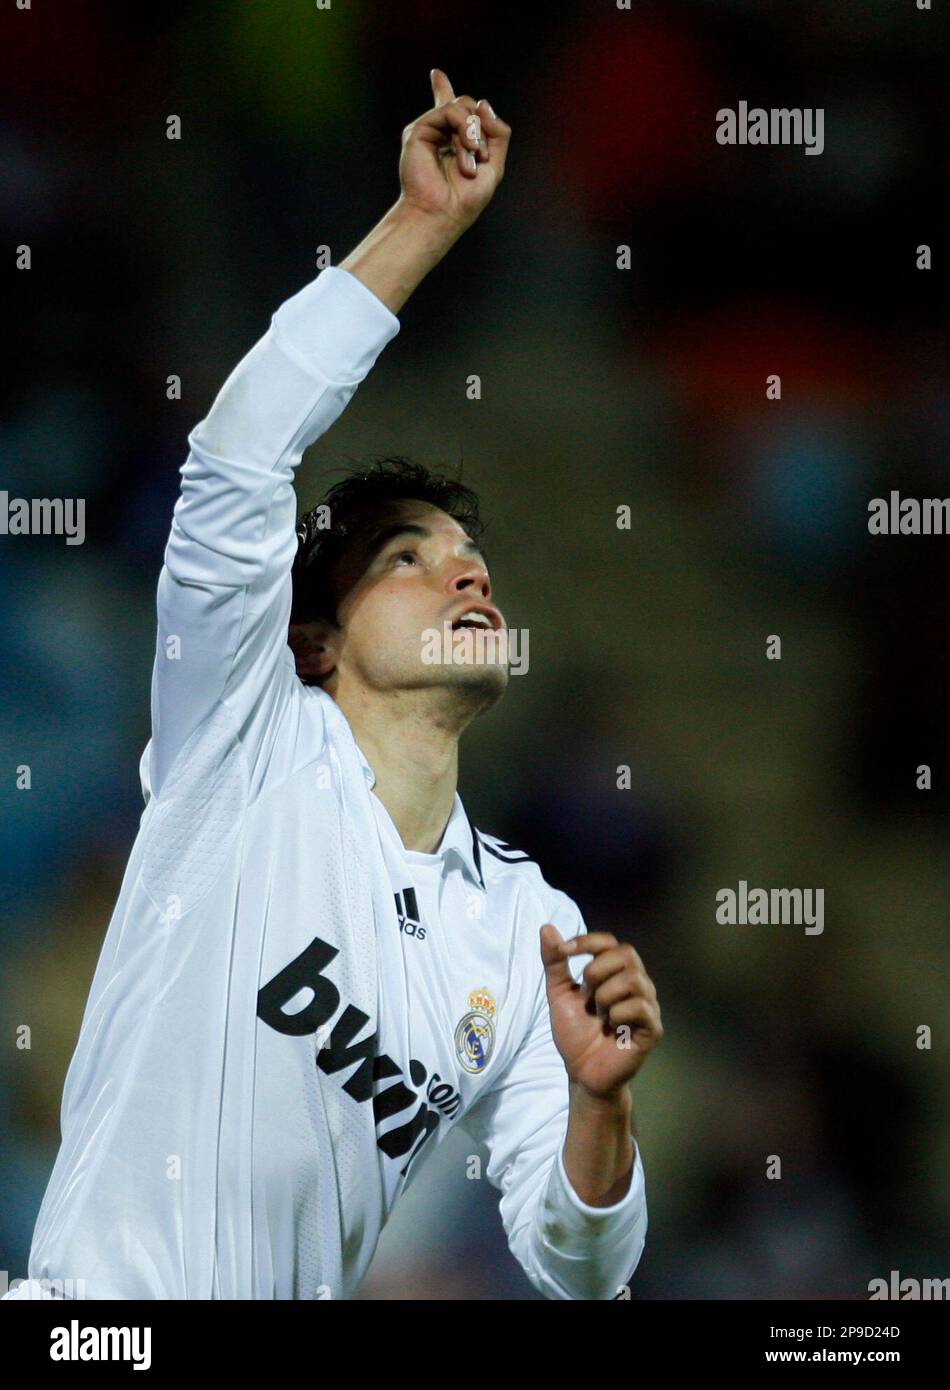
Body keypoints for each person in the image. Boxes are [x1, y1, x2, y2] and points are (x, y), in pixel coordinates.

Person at [3, 68, 662, 1302]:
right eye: (410, 560)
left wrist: (596, 1105)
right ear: (313, 643)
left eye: (473, 563)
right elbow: (238, 461)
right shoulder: (239, 741)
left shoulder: (528, 926)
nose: (467, 579)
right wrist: (421, 227)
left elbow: (581, 1267)